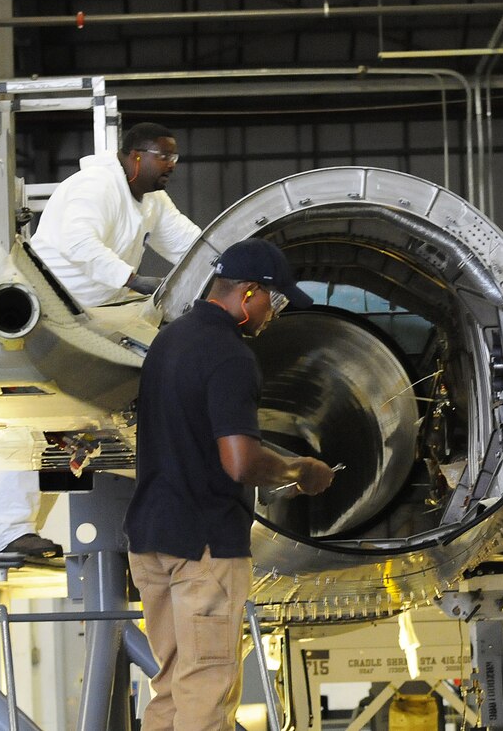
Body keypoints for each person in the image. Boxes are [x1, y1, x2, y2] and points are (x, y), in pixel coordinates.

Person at [125, 237, 334, 731]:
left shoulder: (169, 339)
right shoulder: (230, 356)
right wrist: (299, 470)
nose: (274, 314)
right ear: (248, 294)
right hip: (203, 547)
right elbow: (239, 462)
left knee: (172, 688)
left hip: (152, 540)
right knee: (207, 695)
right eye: (274, 300)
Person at [0, 122, 203, 558]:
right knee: (27, 417)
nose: (172, 167)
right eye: (165, 158)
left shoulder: (151, 200)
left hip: (92, 313)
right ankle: (5, 533)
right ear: (136, 157)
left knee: (71, 424)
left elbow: (188, 243)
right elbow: (77, 242)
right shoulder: (94, 186)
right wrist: (132, 279)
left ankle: (20, 532)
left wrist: (231, 262)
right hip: (45, 309)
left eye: (175, 158)